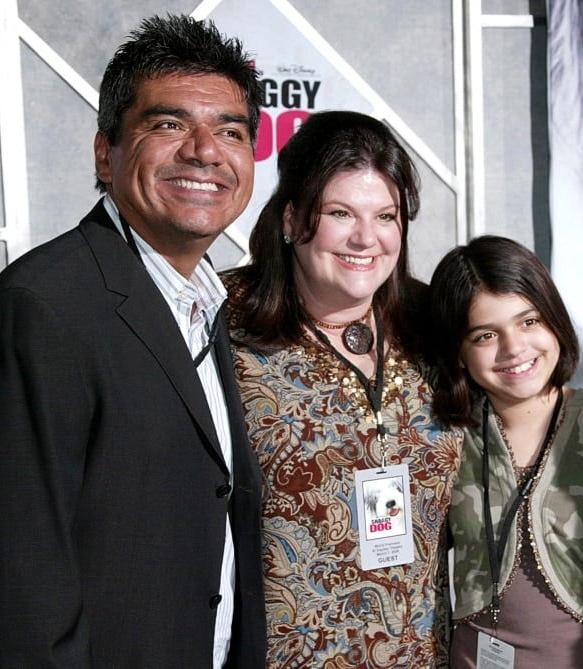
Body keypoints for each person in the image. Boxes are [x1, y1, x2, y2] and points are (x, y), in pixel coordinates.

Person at [0, 15, 265, 667]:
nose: (205, 150)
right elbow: (20, 601)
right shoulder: (39, 312)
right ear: (105, 152)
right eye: (169, 124)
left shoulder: (203, 301)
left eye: (230, 130)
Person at [221, 110, 463, 667]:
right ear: (290, 218)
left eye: (386, 216)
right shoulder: (222, 324)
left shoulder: (433, 323)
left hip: (422, 653)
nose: (366, 238)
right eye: (339, 213)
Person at [425, 235, 583, 667]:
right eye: (486, 335)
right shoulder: (442, 441)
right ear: (459, 353)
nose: (514, 349)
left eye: (529, 322)